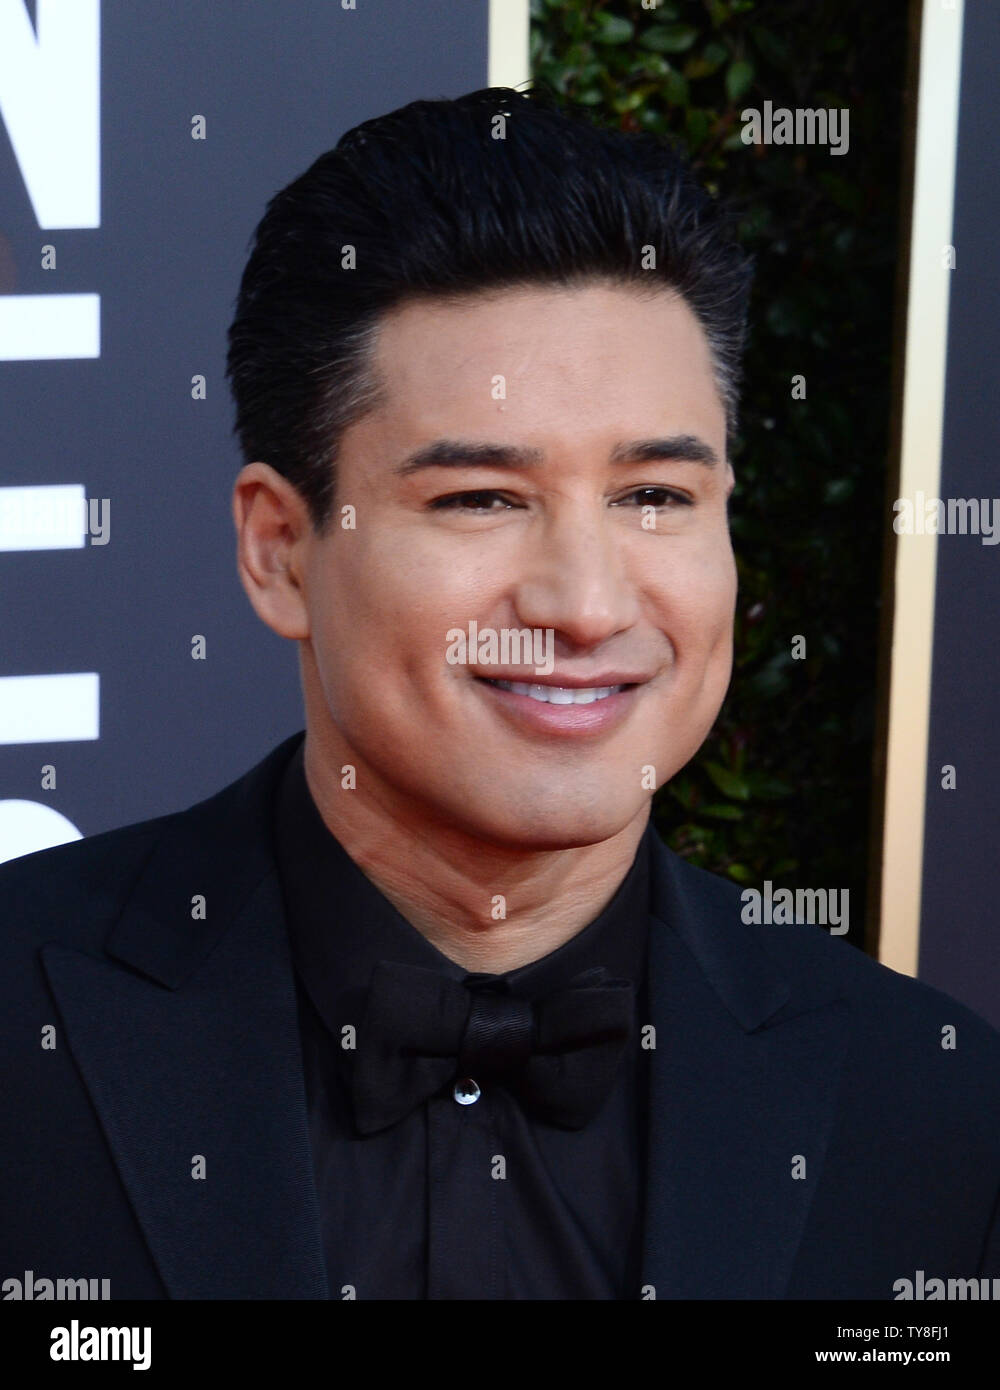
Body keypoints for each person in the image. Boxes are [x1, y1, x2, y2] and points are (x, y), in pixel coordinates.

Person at [2, 87, 999, 1302]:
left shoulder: (931, 1115)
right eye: (481, 497)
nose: (585, 606)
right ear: (279, 549)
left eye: (654, 498)